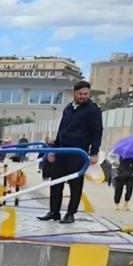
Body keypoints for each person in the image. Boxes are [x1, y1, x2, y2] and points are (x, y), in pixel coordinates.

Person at [41, 80, 102, 224]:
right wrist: (53, 150)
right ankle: (54, 211)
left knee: (75, 184)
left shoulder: (93, 110)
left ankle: (70, 213)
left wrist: (94, 153)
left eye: (86, 94)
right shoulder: (68, 108)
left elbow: (97, 132)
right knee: (56, 182)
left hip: (78, 153)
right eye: (80, 94)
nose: (83, 96)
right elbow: (61, 130)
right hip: (62, 151)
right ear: (74, 93)